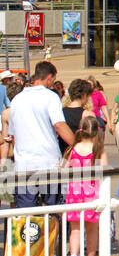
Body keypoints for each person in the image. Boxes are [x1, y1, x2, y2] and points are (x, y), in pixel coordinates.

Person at [8, 60, 76, 208]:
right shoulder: (50, 97)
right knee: (53, 210)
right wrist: (77, 144)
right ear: (50, 77)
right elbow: (59, 125)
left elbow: (13, 136)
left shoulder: (17, 100)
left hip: (24, 165)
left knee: (26, 214)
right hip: (48, 162)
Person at [63, 119, 108, 256]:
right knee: (92, 229)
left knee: (75, 229)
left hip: (74, 193)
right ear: (97, 132)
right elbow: (104, 169)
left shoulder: (72, 149)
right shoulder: (97, 149)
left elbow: (62, 168)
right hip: (92, 193)